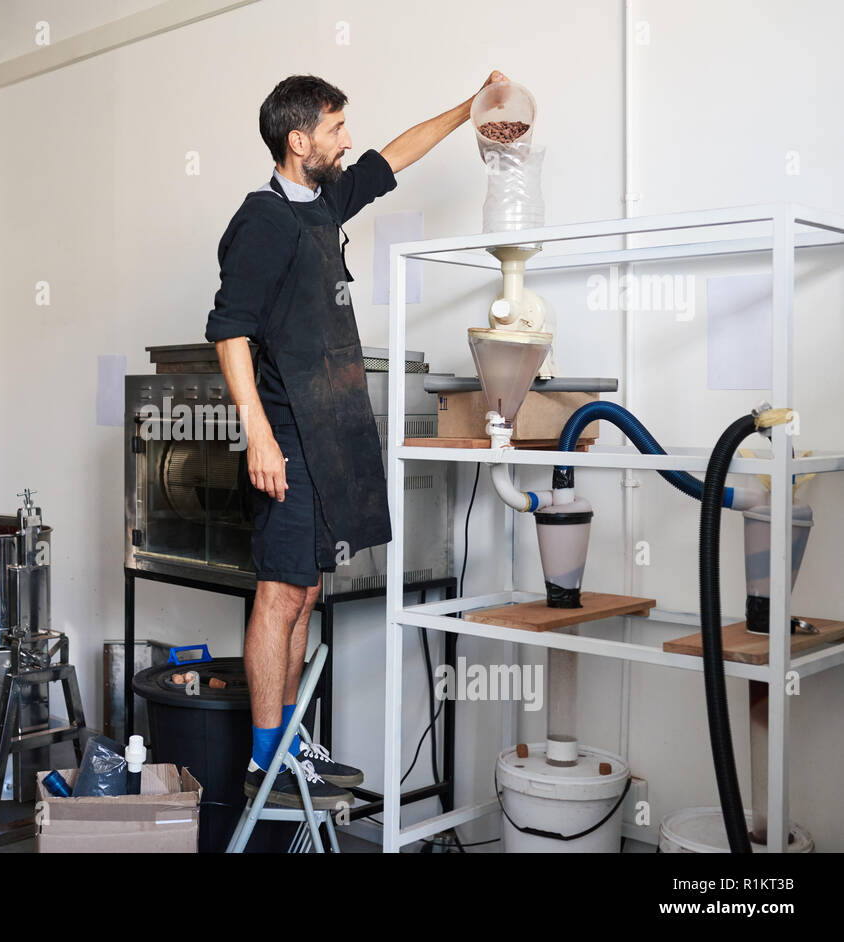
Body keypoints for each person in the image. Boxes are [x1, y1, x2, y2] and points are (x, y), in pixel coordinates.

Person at [205, 70, 507, 810]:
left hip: (331, 434)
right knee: (279, 595)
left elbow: (396, 155)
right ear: (297, 140)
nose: (348, 140)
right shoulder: (262, 223)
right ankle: (264, 763)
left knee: (306, 590)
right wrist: (261, 438)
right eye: (336, 129)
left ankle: (287, 746)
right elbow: (229, 333)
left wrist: (471, 106)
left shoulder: (327, 197)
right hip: (289, 437)